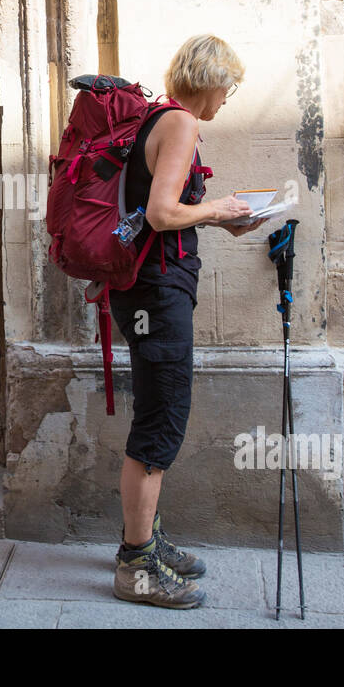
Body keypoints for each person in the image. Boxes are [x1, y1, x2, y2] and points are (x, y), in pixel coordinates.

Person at [109, 33, 265, 609]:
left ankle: (145, 540)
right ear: (211, 79)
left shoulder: (157, 118)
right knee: (161, 421)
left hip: (146, 289)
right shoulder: (180, 124)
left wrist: (219, 222)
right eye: (229, 86)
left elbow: (160, 213)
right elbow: (162, 212)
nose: (229, 98)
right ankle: (136, 565)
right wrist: (221, 209)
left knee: (159, 414)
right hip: (156, 292)